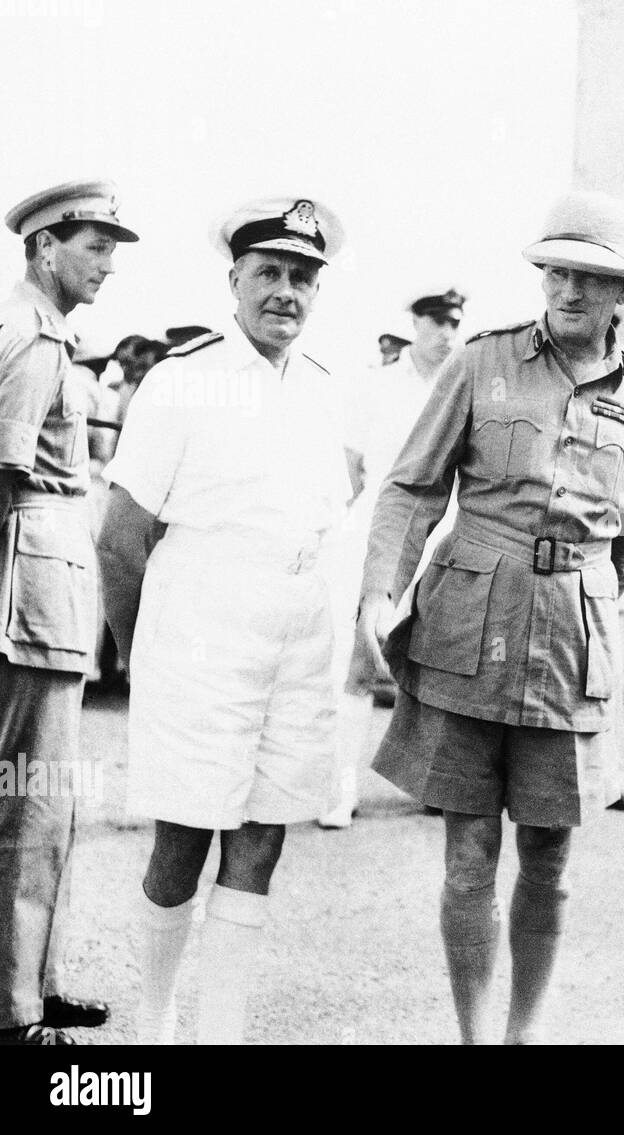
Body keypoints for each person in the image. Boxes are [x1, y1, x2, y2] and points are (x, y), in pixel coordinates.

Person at [357, 190, 624, 1044]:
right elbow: (413, 486)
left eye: (591, 278)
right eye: (557, 271)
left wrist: (600, 597)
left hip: (573, 645)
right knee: (467, 855)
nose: (568, 291)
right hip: (468, 628)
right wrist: (381, 594)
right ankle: (473, 1036)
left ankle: (523, 1034)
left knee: (551, 858)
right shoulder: (480, 363)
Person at [98, 196, 351, 1044]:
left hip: (292, 640)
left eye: (303, 277)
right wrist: (141, 658)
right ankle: (156, 1020)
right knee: (184, 836)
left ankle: (221, 1030)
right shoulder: (181, 381)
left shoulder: (321, 389)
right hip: (199, 636)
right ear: (234, 278)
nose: (286, 291)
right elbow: (121, 538)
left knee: (262, 838)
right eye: (270, 272)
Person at [0, 180, 137, 1044]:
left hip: (47, 582)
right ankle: (15, 1009)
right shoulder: (33, 342)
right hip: (30, 585)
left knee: (48, 799)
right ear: (46, 245)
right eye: (94, 245)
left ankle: (34, 982)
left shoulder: (43, 332)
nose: (108, 264)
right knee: (31, 800)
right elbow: (5, 473)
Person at [319, 288, 469, 829]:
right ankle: (340, 790)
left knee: (437, 666)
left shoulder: (461, 384)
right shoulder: (375, 385)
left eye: (454, 323)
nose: (446, 334)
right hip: (378, 541)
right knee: (361, 664)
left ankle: (431, 782)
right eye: (436, 322)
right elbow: (349, 467)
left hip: (444, 541)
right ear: (415, 323)